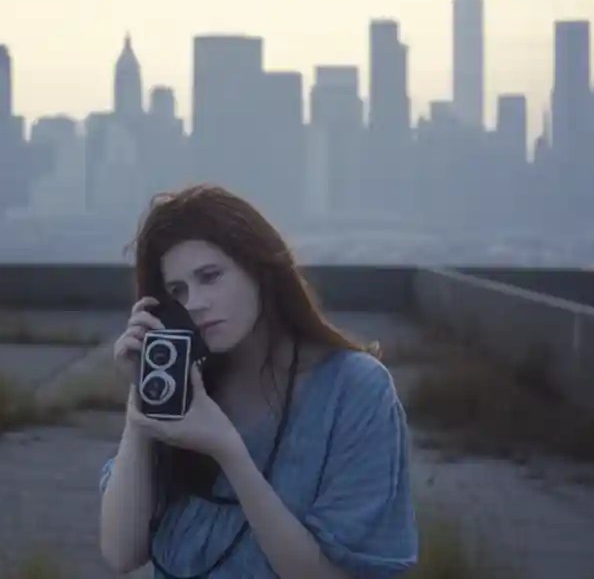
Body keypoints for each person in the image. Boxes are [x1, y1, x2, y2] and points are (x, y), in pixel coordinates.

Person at [98, 184, 418, 578]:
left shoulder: (353, 389)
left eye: (210, 276)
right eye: (177, 291)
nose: (195, 302)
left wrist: (228, 451)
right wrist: (142, 401)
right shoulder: (187, 386)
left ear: (260, 269)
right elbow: (120, 552)